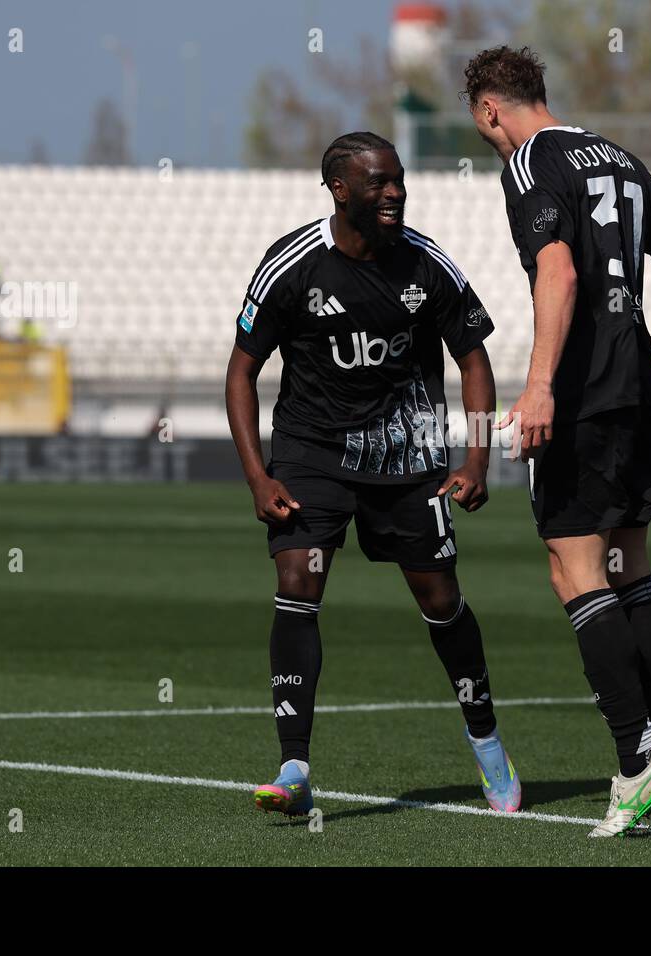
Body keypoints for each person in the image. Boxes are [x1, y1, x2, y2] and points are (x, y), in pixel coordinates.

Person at [224, 131, 521, 819]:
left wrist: (477, 458)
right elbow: (242, 372)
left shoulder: (426, 264)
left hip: (407, 457)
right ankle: (294, 765)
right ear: (339, 189)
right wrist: (257, 477)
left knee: (441, 600)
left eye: (399, 181)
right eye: (379, 182)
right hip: (311, 453)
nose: (394, 192)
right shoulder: (291, 265)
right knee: (298, 582)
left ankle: (487, 744)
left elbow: (473, 359)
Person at [462, 47, 651, 836]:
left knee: (573, 568)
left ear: (488, 111)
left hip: (583, 394)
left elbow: (560, 274)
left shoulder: (529, 163)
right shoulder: (620, 157)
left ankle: (636, 759)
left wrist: (539, 387)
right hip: (642, 386)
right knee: (629, 562)